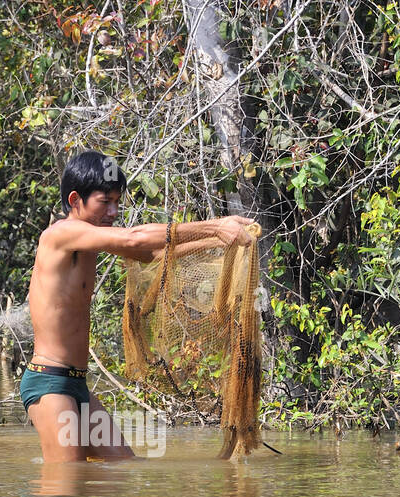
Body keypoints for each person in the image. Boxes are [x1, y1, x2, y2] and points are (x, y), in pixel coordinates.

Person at [22, 150, 256, 462]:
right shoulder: (61, 234)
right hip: (50, 382)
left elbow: (153, 255)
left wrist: (216, 242)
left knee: (124, 469)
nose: (113, 211)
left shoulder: (90, 240)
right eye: (105, 202)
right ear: (76, 200)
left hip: (76, 385)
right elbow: (134, 239)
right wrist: (214, 226)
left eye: (117, 202)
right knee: (67, 482)